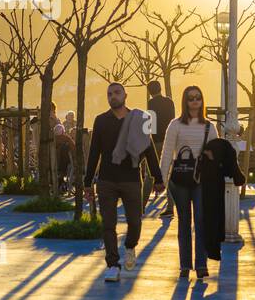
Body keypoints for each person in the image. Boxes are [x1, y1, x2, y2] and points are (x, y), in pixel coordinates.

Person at [84, 82, 164, 282]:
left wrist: (158, 178)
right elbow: (94, 153)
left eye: (117, 93)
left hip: (131, 179)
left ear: (125, 95)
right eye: (110, 94)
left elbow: (150, 150)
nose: (113, 96)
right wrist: (87, 183)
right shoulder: (101, 121)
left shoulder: (140, 119)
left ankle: (130, 246)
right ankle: (112, 264)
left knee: (135, 221)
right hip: (106, 180)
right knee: (108, 224)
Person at [158, 85, 217, 281]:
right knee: (184, 221)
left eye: (198, 97)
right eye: (190, 98)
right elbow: (167, 153)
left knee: (201, 220)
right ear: (185, 101)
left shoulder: (210, 126)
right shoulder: (175, 124)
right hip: (180, 179)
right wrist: (161, 179)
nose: (194, 101)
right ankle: (184, 265)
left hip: (201, 180)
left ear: (202, 100)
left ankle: (201, 265)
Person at [146, 80, 177, 217]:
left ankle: (140, 206)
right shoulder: (170, 102)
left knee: (151, 173)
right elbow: (173, 120)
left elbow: (149, 125)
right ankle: (170, 207)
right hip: (170, 140)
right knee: (170, 174)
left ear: (150, 92)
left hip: (156, 141)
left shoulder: (151, 104)